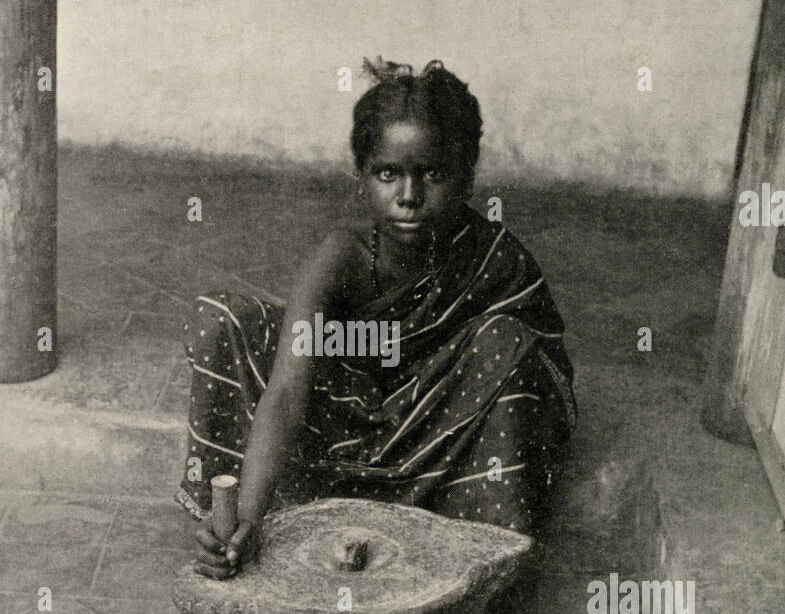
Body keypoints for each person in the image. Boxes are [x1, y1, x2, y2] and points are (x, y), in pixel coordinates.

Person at [177, 58, 577, 579]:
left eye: (432, 174)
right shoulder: (341, 256)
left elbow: (546, 374)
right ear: (360, 176)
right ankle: (234, 521)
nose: (409, 197)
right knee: (222, 320)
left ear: (467, 176)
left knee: (509, 343)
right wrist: (248, 512)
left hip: (441, 429)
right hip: (345, 419)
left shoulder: (493, 259)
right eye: (388, 173)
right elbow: (286, 391)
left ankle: (471, 547)